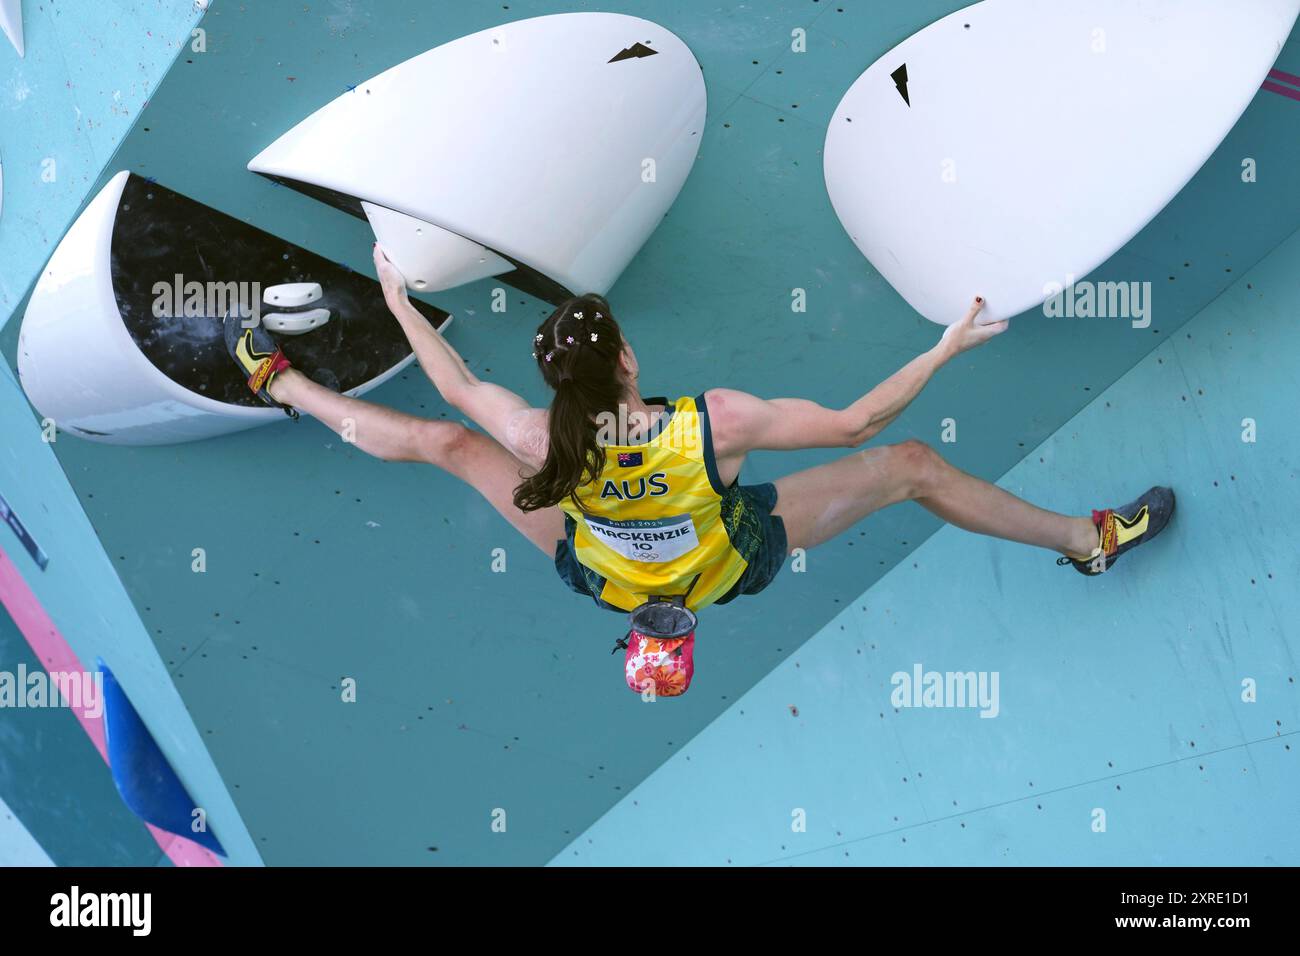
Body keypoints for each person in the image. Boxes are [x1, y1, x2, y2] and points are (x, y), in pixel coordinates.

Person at [226, 245, 1174, 620]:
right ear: (629, 359)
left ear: (557, 382)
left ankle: (282, 382)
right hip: (728, 557)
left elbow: (456, 382)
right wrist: (944, 349)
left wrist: (398, 299)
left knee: (448, 443)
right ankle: (1089, 544)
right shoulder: (713, 423)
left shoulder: (531, 434)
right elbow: (859, 422)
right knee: (912, 465)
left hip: (599, 568)